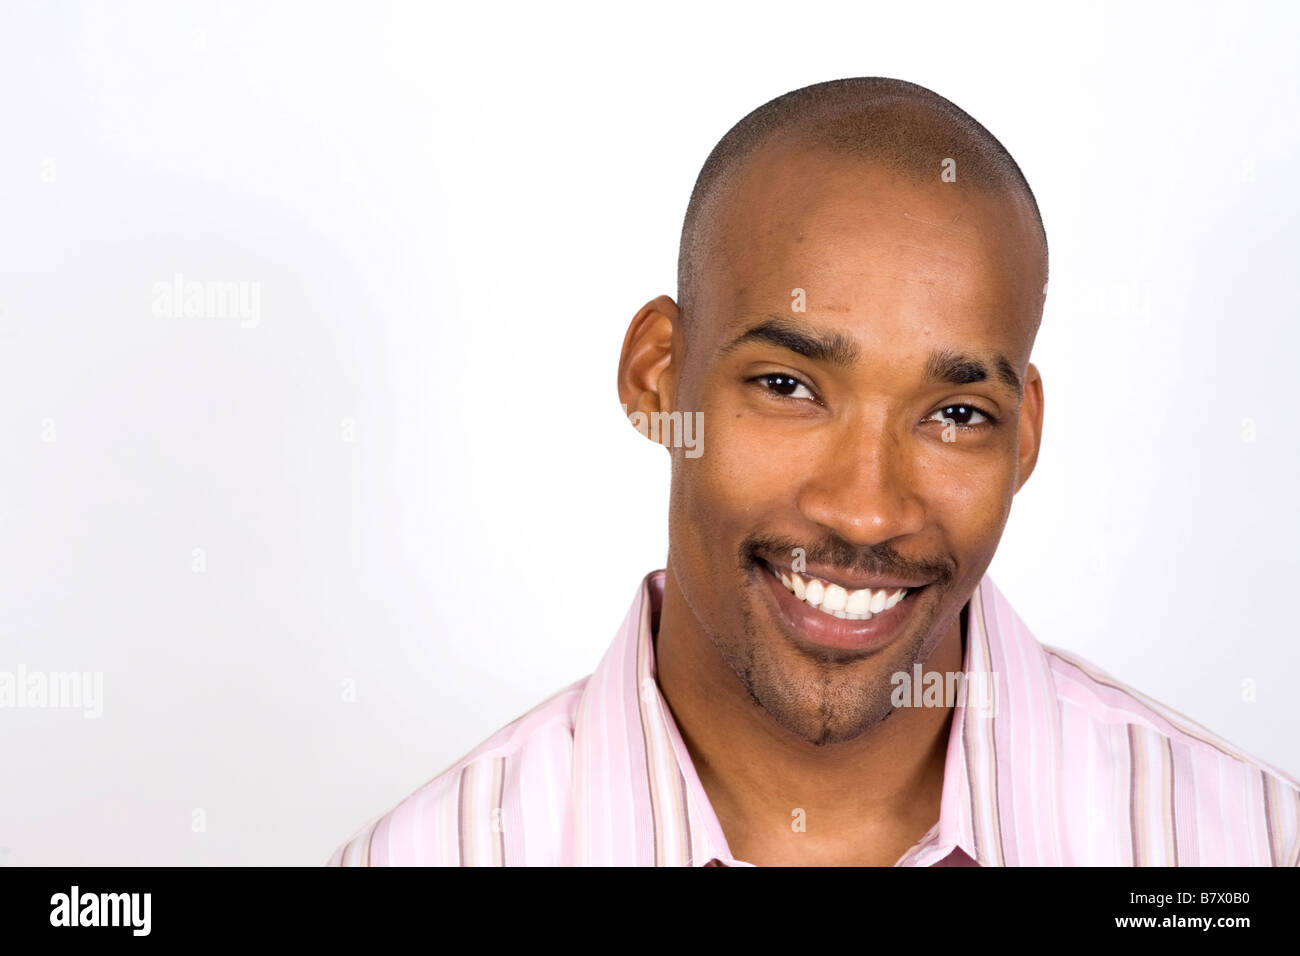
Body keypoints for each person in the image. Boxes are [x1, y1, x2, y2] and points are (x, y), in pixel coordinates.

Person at [327, 77, 1300, 866]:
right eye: (789, 385)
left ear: (1023, 437)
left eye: (956, 413)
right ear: (658, 376)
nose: (867, 510)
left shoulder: (1248, 844)